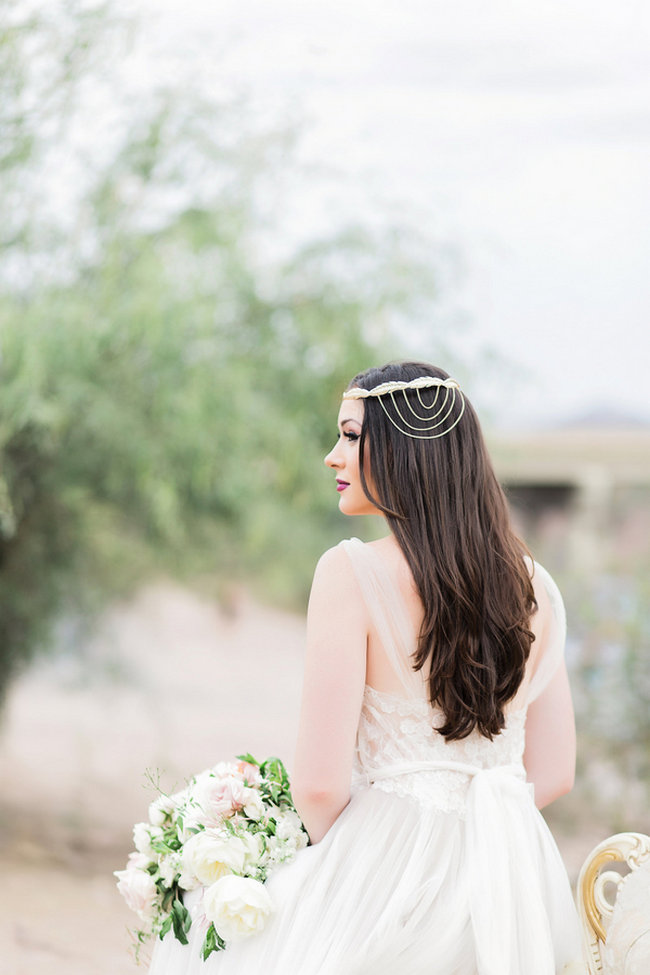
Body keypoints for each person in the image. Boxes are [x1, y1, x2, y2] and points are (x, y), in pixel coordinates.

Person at [149, 361, 584, 975]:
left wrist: (351, 866)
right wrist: (477, 831)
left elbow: (320, 786)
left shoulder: (349, 572)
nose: (332, 456)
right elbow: (555, 772)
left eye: (351, 436)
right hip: (512, 884)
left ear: (408, 453)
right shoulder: (536, 585)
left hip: (387, 872)